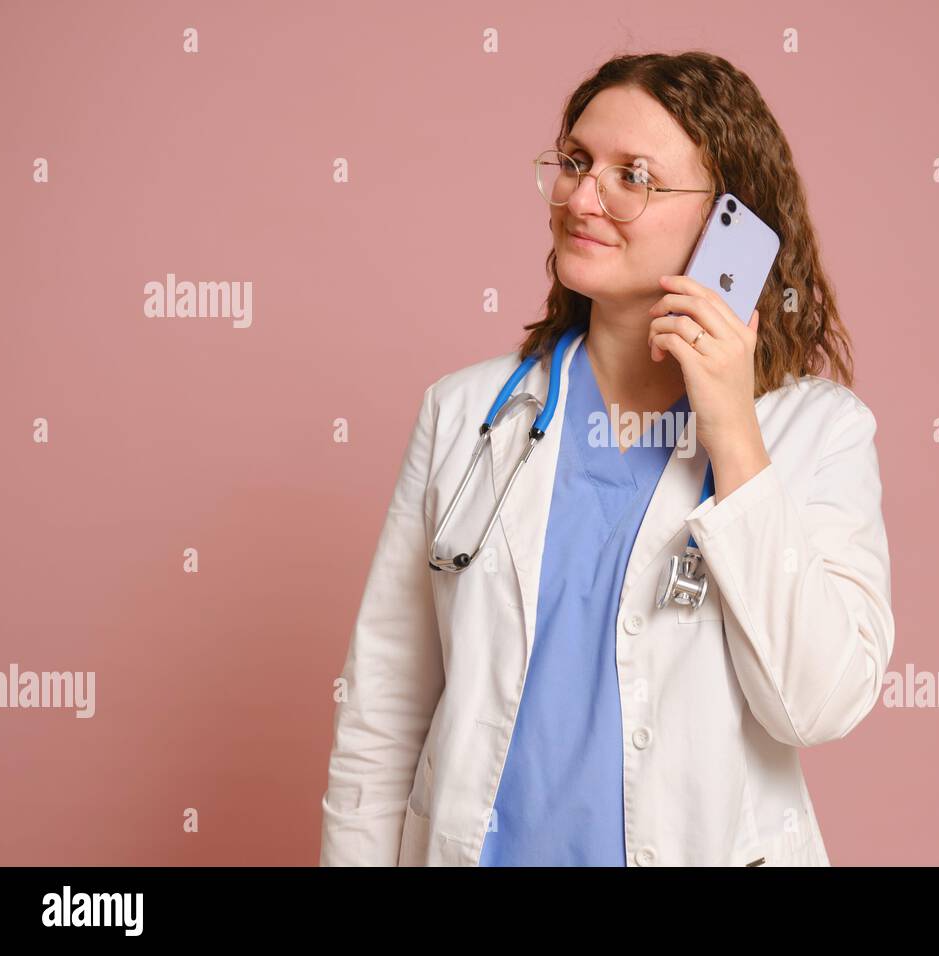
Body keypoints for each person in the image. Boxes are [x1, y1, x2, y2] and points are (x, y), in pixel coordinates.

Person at [319, 50, 895, 867]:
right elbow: (381, 712)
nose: (582, 198)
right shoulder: (465, 414)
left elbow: (818, 704)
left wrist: (732, 433)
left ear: (731, 224)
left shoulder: (815, 434)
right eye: (578, 162)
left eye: (635, 176)